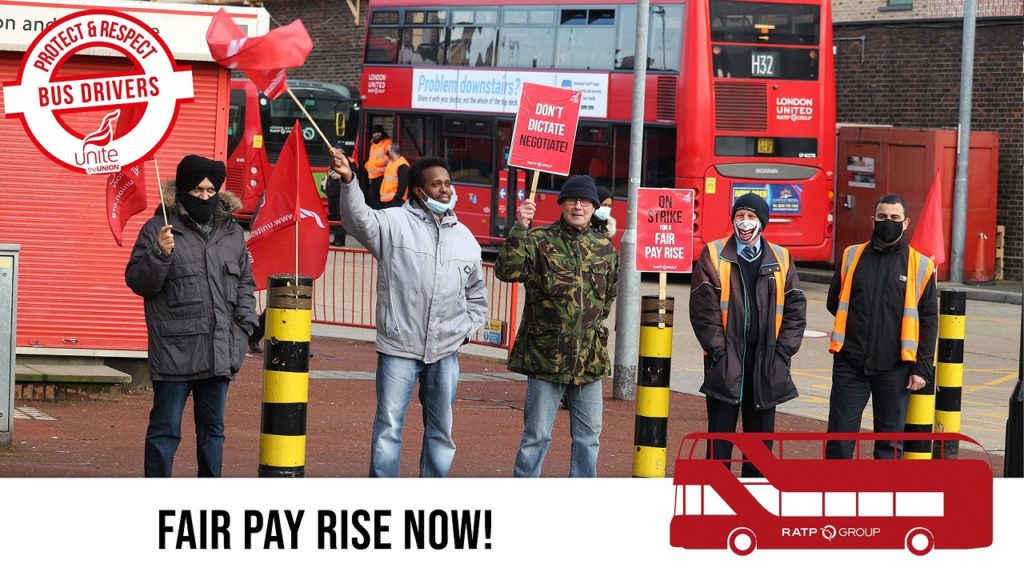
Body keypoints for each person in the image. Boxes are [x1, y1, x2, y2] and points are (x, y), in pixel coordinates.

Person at [328, 148, 488, 477]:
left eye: (447, 183)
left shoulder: (466, 238)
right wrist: (349, 180)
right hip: (399, 347)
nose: (445, 190)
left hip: (445, 351)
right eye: (436, 184)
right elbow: (359, 219)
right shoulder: (393, 223)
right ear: (418, 191)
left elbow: (477, 295)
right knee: (389, 427)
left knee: (441, 431)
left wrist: (465, 331)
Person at [125, 154, 258, 477]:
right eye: (198, 190)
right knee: (165, 431)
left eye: (211, 190)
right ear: (184, 189)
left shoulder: (231, 231)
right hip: (175, 353)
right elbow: (139, 282)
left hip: (219, 351)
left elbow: (245, 283)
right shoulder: (159, 228)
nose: (204, 196)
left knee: (213, 433)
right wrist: (160, 253)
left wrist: (243, 330)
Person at [496, 175, 619, 477]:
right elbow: (507, 271)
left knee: (588, 439)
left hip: (588, 360)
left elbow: (608, 297)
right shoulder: (539, 240)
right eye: (572, 200)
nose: (578, 206)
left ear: (594, 207)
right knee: (536, 437)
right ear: (561, 204)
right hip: (546, 358)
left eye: (585, 201)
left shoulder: (605, 248)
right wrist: (520, 228)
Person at [689, 193, 806, 477]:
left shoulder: (781, 257)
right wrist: (719, 353)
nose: (745, 222)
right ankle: (715, 491)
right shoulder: (713, 253)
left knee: (760, 439)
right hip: (726, 358)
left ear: (762, 222)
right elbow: (704, 311)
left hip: (767, 359)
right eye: (740, 216)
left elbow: (795, 308)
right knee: (720, 437)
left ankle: (756, 493)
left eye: (751, 217)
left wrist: (782, 353)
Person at [825, 194, 937, 460]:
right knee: (839, 439)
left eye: (895, 217)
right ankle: (833, 485)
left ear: (906, 222)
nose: (888, 222)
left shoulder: (921, 265)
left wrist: (922, 368)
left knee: (889, 445)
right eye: (883, 216)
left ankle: (883, 488)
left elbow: (929, 321)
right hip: (850, 364)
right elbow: (835, 302)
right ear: (873, 219)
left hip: (895, 368)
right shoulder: (852, 256)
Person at [363, 125, 392, 209]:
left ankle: (381, 211)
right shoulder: (373, 144)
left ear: (382, 132)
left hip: (382, 175)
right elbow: (372, 158)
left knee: (374, 196)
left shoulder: (387, 142)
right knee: (372, 196)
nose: (376, 134)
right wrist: (367, 165)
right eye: (374, 133)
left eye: (378, 132)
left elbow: (389, 156)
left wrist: (376, 164)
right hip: (373, 176)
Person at [321, 162, 348, 247]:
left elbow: (347, 177)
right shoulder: (331, 165)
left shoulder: (345, 165)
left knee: (339, 217)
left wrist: (338, 175)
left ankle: (340, 240)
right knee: (334, 217)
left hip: (340, 195)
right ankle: (336, 239)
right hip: (332, 194)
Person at [379, 143, 410, 209]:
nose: (387, 153)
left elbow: (403, 183)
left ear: (392, 152)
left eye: (388, 151)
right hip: (388, 200)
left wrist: (397, 198)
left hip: (395, 201)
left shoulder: (402, 164)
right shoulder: (391, 162)